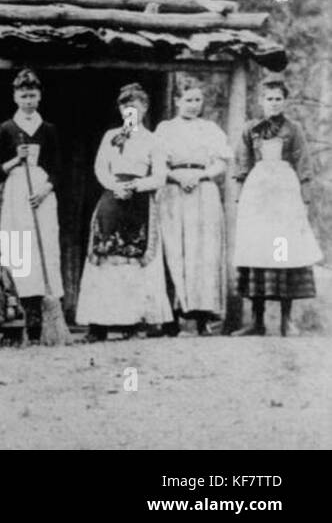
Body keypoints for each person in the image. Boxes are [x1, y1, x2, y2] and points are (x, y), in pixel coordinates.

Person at [76, 83, 173, 342]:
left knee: (134, 259)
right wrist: (115, 186)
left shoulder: (154, 140)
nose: (130, 111)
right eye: (125, 107)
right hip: (113, 199)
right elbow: (100, 169)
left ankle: (132, 323)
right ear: (120, 110)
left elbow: (161, 176)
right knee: (105, 256)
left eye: (136, 107)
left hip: (139, 203)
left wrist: (136, 185)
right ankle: (98, 325)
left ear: (145, 108)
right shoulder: (110, 136)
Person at [231, 78, 322, 337]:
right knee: (258, 251)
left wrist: (304, 199)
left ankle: (285, 321)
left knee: (283, 251)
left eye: (278, 98)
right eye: (269, 98)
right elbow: (242, 164)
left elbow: (303, 164)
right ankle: (257, 321)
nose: (273, 103)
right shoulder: (251, 129)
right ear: (261, 101)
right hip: (257, 195)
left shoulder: (293, 129)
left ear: (285, 101)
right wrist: (240, 198)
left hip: (284, 196)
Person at [0, 68, 64, 343]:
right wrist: (15, 159)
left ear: (40, 96)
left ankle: (42, 325)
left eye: (33, 95)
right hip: (16, 194)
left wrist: (45, 191)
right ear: (15, 97)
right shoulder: (6, 129)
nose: (28, 100)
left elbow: (58, 169)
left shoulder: (48, 130)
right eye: (23, 95)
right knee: (20, 251)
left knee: (43, 249)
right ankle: (17, 320)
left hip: (41, 195)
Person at [154, 76, 232, 335]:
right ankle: (172, 317)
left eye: (198, 100)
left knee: (203, 253)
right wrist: (177, 176)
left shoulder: (210, 129)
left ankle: (202, 317)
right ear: (177, 101)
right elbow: (157, 163)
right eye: (188, 100)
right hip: (174, 191)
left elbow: (221, 162)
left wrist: (200, 175)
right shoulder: (166, 129)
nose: (193, 105)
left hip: (203, 190)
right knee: (175, 250)